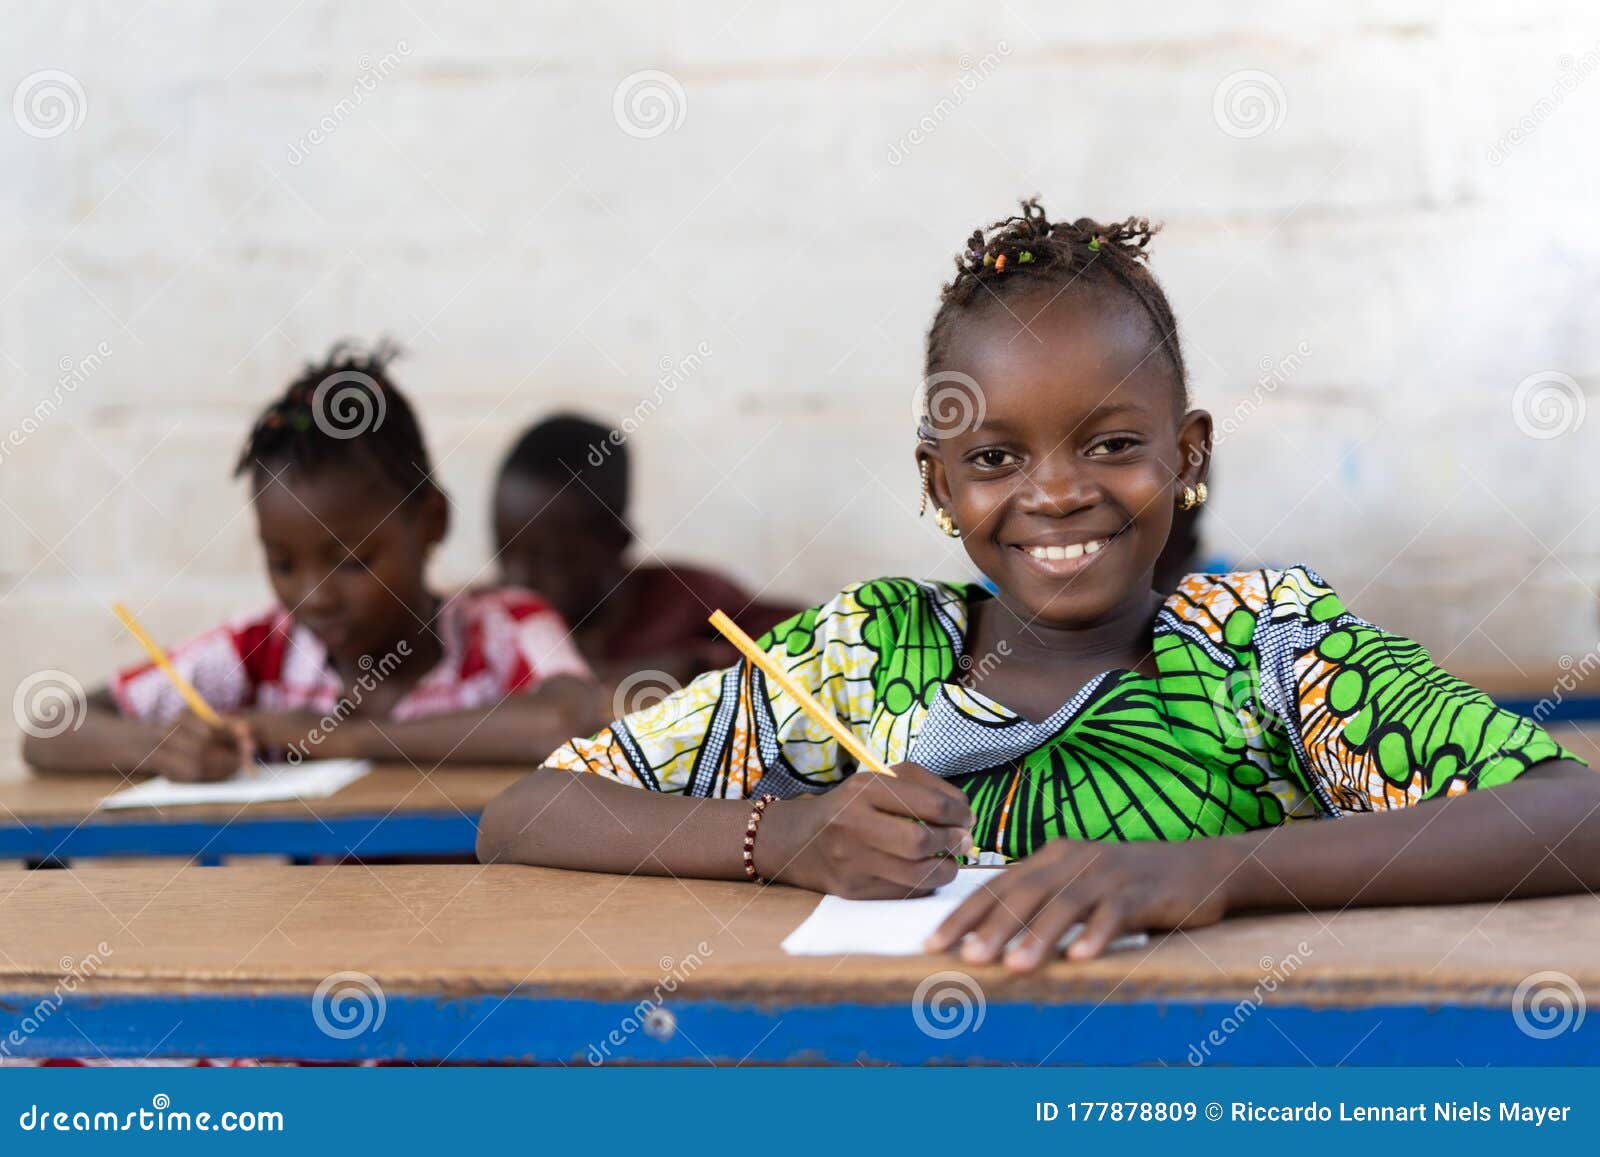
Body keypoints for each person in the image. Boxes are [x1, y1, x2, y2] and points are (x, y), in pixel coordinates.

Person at [477, 201, 1599, 973]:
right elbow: (521, 814)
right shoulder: (862, 650)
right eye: (995, 458)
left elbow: (1572, 809)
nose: (1055, 495)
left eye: (1110, 444)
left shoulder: (1266, 646)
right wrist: (787, 837)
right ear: (937, 479)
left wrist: (1205, 870)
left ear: (1189, 453)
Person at [23, 342, 600, 779]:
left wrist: (349, 740)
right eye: (282, 563)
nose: (314, 596)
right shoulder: (260, 652)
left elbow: (573, 722)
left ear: (431, 522)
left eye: (351, 562)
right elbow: (49, 731)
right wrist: (161, 748)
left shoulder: (505, 629)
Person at [493, 414, 800, 687]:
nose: (519, 577)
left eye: (552, 561)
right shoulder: (486, 623)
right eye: (503, 550)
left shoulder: (688, 600)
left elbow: (804, 646)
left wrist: (701, 664)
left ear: (617, 542)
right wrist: (627, 675)